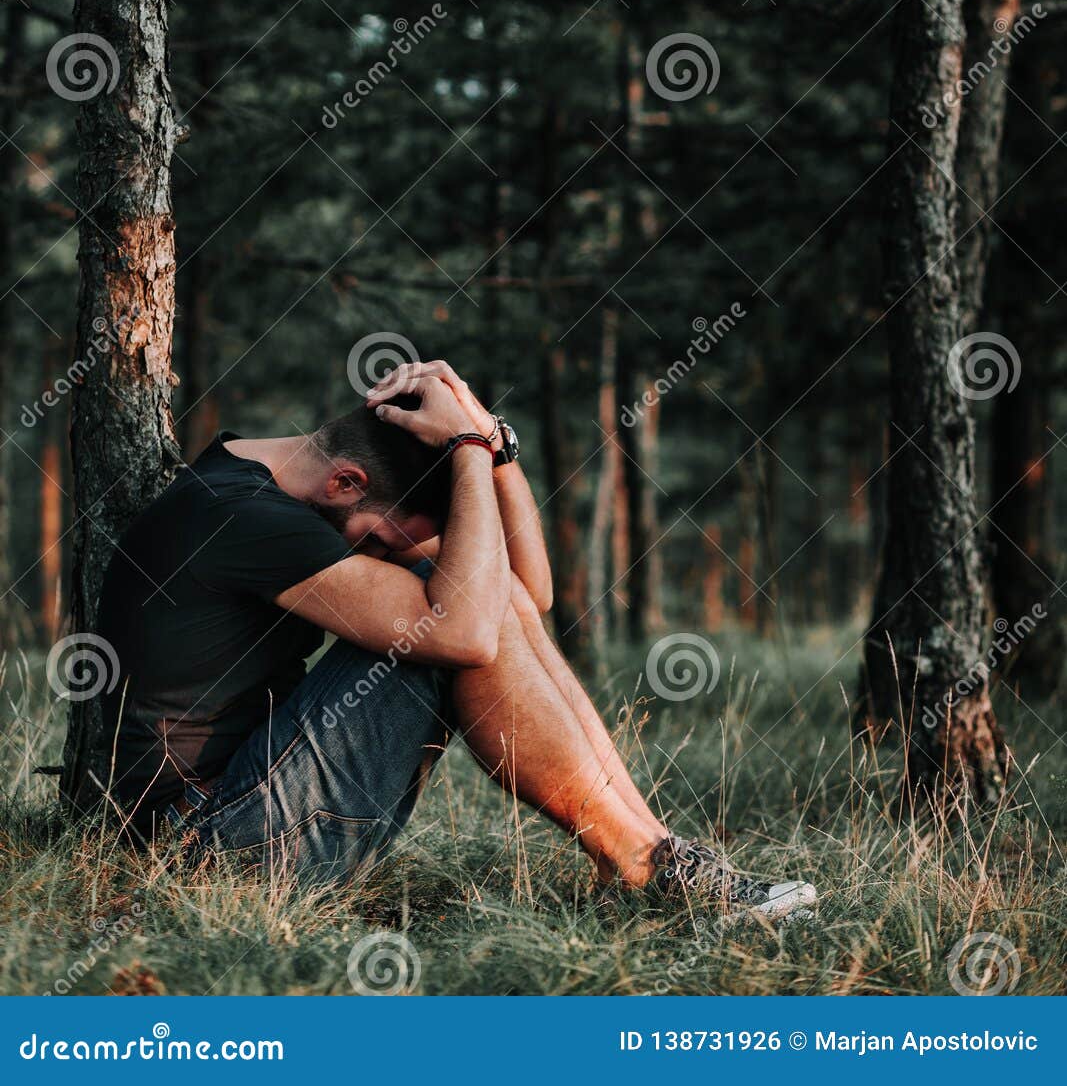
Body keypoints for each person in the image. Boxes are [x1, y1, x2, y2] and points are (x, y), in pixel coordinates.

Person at [98, 359, 815, 919]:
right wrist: (467, 446)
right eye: (386, 542)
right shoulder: (241, 519)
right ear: (347, 482)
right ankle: (647, 870)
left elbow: (523, 598)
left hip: (247, 813)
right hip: (210, 849)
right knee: (455, 624)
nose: (390, 553)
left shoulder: (274, 483)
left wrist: (492, 448)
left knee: (473, 603)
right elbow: (473, 631)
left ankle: (651, 859)